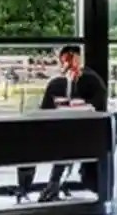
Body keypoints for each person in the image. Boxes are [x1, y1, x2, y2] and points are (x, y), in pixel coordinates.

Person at [16, 45, 109, 203]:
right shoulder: (90, 81)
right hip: (81, 133)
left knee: (40, 144)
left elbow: (46, 110)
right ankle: (52, 185)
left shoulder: (65, 82)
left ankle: (28, 187)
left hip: (70, 133)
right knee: (64, 142)